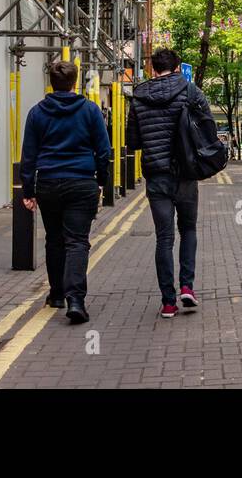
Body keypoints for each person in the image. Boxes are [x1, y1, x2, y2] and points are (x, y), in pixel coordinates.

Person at [19, 58, 113, 325]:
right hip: (81, 182)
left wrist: (28, 189)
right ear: (75, 82)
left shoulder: (37, 112)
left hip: (48, 182)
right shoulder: (90, 110)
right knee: (77, 241)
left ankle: (57, 294)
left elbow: (29, 154)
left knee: (55, 239)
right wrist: (101, 181)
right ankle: (76, 300)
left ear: (52, 82)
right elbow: (103, 150)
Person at [127, 48, 215, 318]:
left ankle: (168, 302)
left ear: (153, 69)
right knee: (188, 229)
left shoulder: (138, 96)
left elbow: (133, 142)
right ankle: (187, 286)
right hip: (185, 173)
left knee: (164, 238)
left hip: (156, 175)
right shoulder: (190, 91)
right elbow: (208, 126)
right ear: (177, 67)